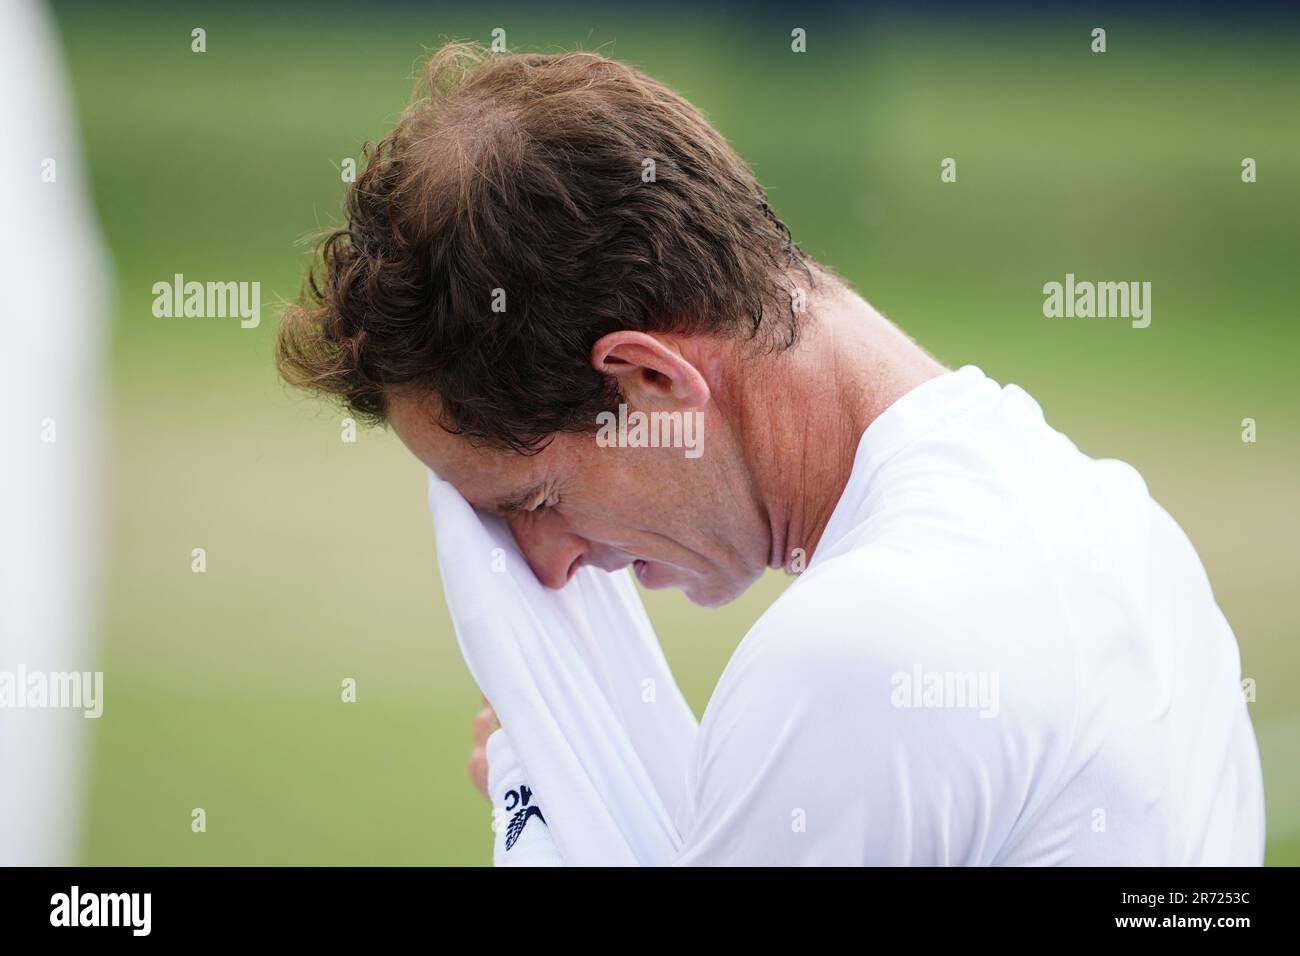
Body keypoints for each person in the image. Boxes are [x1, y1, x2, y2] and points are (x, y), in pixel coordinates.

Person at [276, 43, 1264, 864]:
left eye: (533, 494)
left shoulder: (851, 658)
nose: (545, 562)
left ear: (652, 383)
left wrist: (545, 834)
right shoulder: (1124, 531)